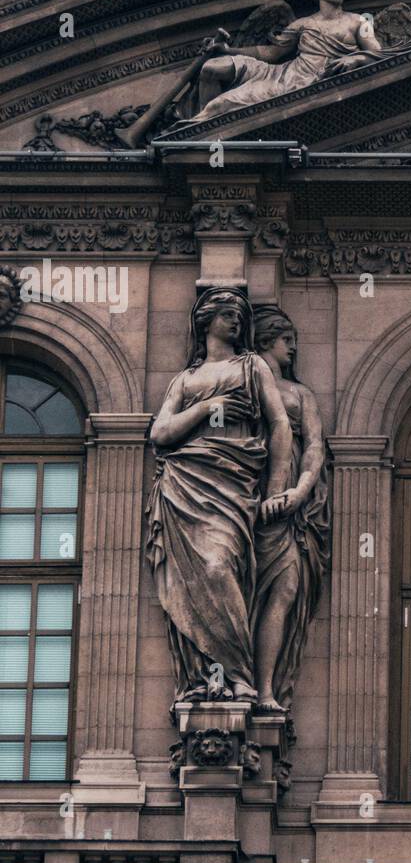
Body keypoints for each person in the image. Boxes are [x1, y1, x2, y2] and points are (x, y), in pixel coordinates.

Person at [146, 287, 292, 704]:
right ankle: (208, 678)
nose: (236, 322)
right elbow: (160, 434)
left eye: (240, 316)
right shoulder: (185, 380)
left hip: (234, 484)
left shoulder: (252, 366)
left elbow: (279, 424)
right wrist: (208, 409)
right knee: (190, 580)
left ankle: (238, 673)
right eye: (228, 314)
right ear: (205, 320)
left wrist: (275, 490)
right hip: (183, 484)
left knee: (218, 565)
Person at [251, 306, 330, 713]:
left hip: (288, 511)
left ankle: (265, 689)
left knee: (283, 593)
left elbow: (314, 445)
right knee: (240, 596)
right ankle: (235, 686)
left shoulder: (301, 395)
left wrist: (299, 491)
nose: (293, 347)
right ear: (266, 340)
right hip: (244, 501)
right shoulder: (242, 382)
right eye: (285, 340)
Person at [188, 0, 382, 124]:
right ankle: (202, 134)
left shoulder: (359, 21)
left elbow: (378, 54)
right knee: (212, 73)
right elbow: (272, 53)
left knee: (222, 105)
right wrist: (228, 50)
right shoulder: (302, 24)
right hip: (287, 77)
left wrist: (356, 59)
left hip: (315, 79)